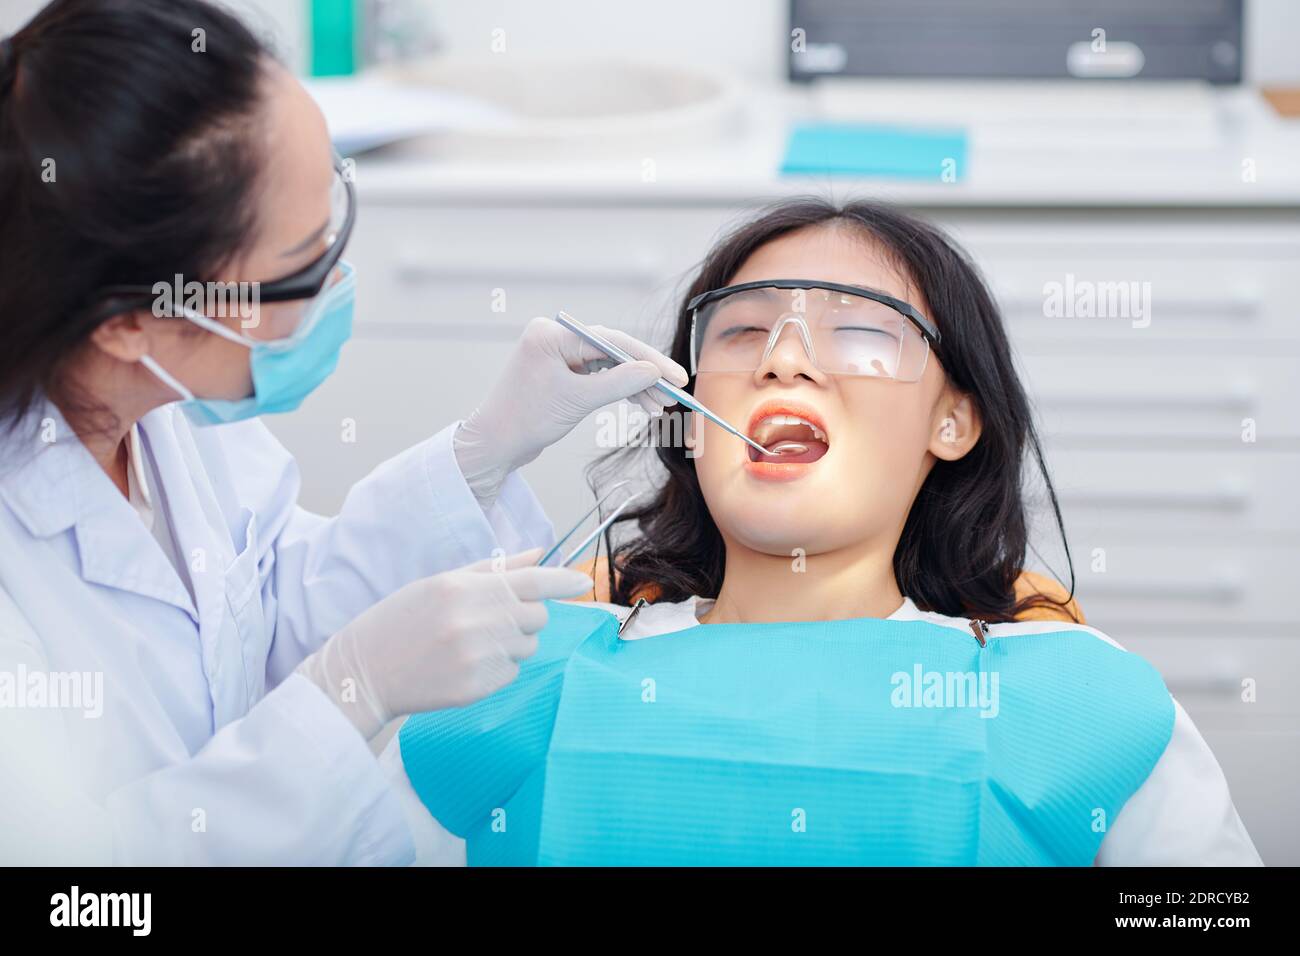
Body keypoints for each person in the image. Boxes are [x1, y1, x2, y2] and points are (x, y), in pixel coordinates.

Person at [0, 0, 686, 864]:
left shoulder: (173, 415)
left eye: (335, 212)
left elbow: (267, 604)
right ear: (132, 324)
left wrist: (480, 458)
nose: (338, 277)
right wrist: (350, 686)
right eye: (304, 265)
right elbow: (86, 883)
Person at [389, 200, 1263, 866]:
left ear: (953, 422)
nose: (783, 358)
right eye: (741, 332)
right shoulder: (513, 680)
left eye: (857, 333)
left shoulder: (1081, 708)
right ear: (689, 411)